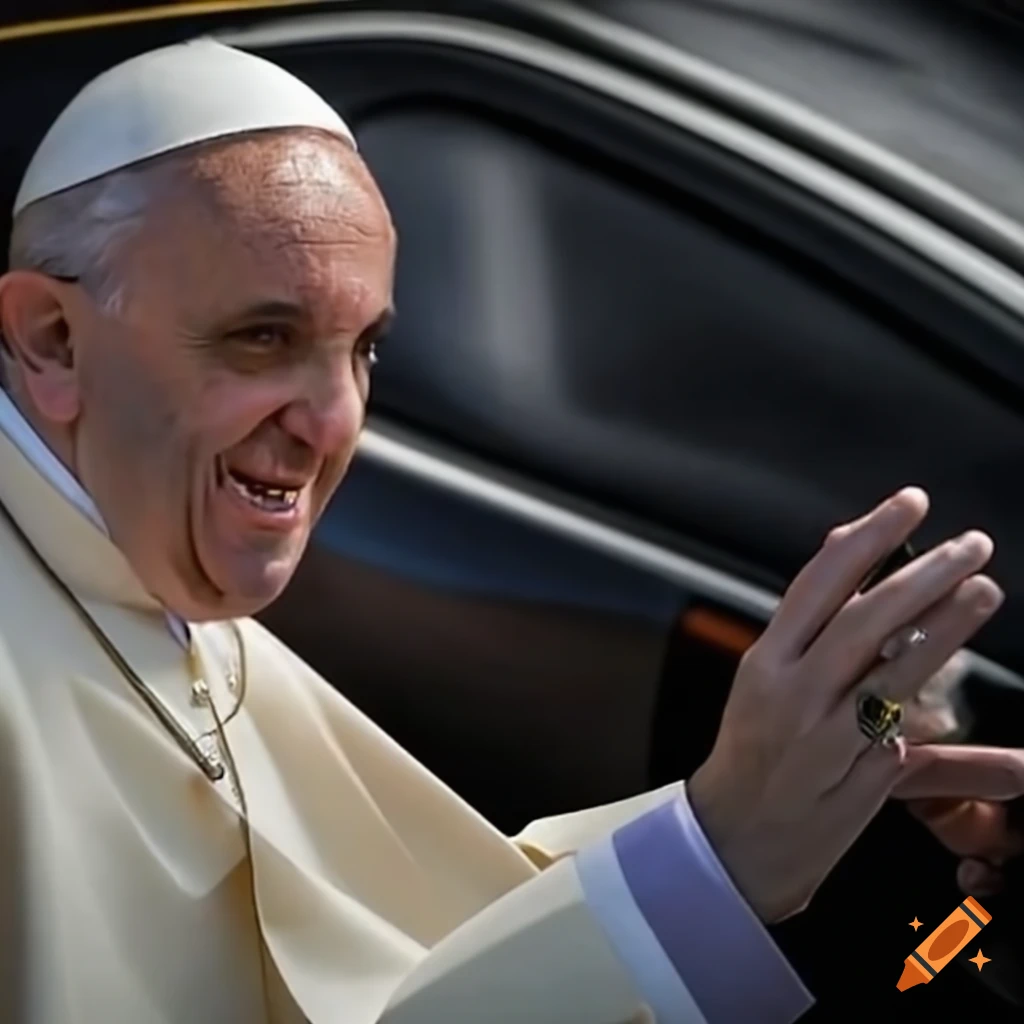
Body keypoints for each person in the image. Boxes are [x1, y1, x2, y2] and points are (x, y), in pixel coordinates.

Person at [0, 38, 1021, 1024]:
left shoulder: (155, 580)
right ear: (53, 338)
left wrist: (779, 802)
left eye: (363, 351)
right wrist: (719, 857)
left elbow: (436, 948)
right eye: (263, 337)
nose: (332, 422)